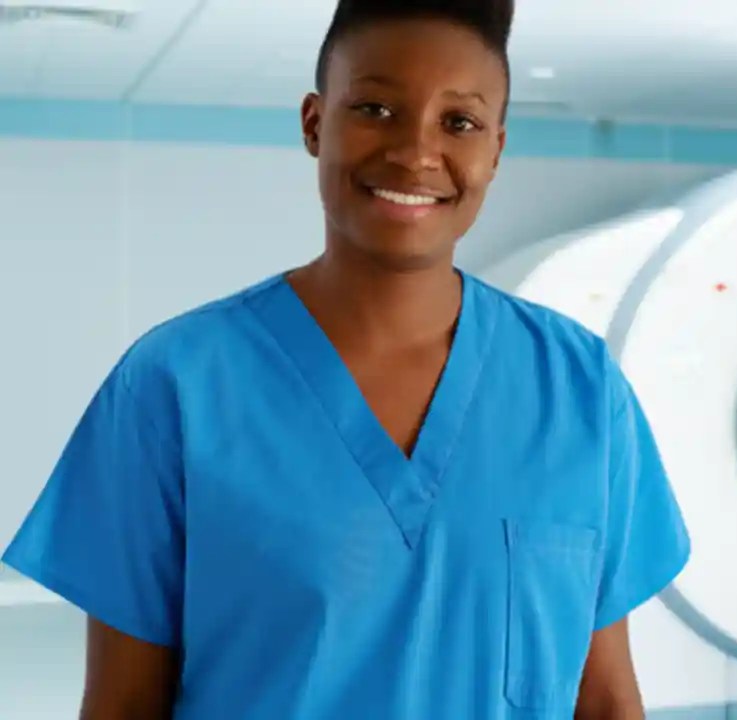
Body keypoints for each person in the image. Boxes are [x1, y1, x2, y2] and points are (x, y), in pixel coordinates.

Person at [0, 0, 690, 717]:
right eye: (376, 109)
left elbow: (607, 698)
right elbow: (121, 704)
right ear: (313, 122)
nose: (416, 153)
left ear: (495, 149)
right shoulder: (174, 385)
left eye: (459, 122)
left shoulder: (580, 390)